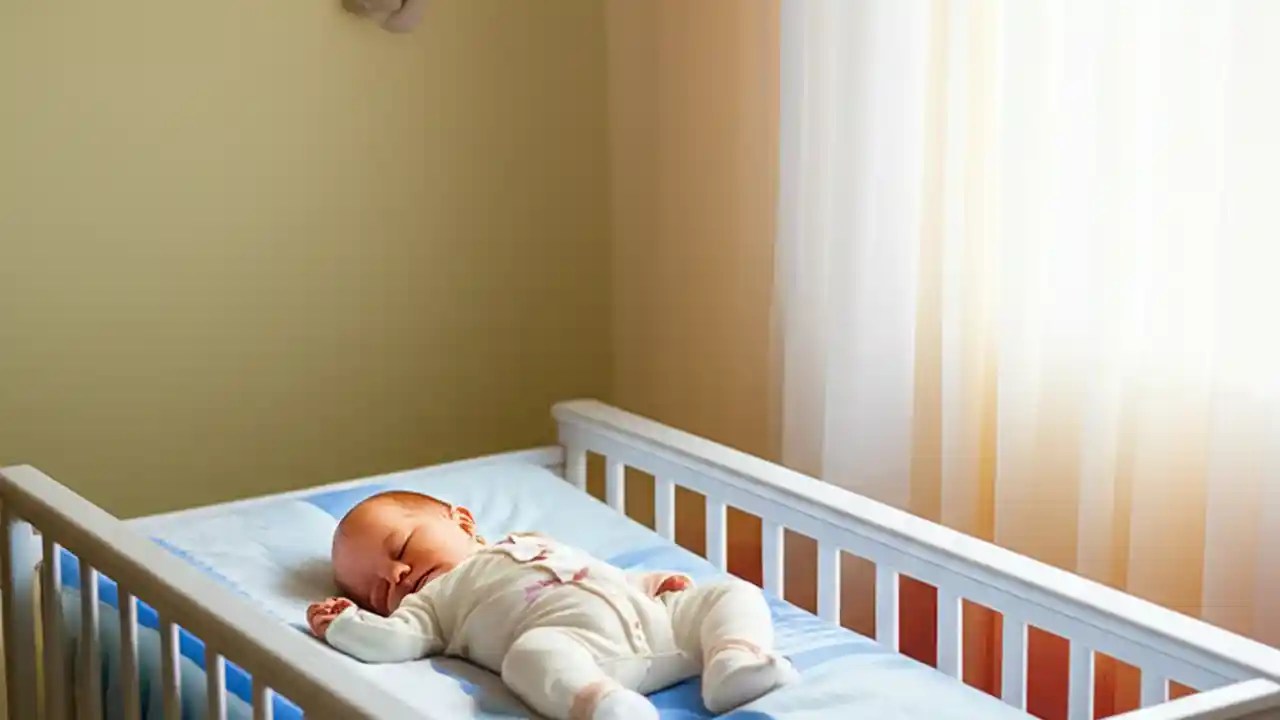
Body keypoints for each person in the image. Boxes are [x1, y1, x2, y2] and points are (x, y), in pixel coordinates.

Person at [307, 490, 797, 719]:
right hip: (576, 648)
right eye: (378, 591)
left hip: (653, 623)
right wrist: (345, 624)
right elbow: (393, 640)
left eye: (401, 547)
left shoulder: (530, 540)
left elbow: (597, 570)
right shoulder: (431, 603)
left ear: (463, 521)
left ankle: (733, 662)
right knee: (530, 656)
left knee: (729, 592)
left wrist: (650, 583)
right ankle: (603, 705)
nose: (396, 575)